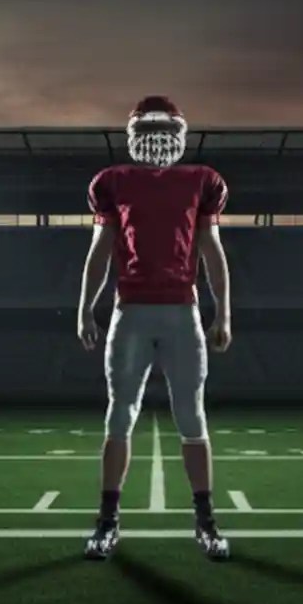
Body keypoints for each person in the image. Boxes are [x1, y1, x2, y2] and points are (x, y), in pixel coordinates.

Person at [76, 95, 233, 561]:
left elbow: (211, 249)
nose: (157, 140)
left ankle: (205, 522)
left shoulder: (200, 181)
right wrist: (85, 306)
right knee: (119, 415)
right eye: (147, 131)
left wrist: (223, 311)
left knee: (191, 417)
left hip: (181, 309)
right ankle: (107, 523)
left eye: (163, 129)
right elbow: (101, 250)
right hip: (131, 309)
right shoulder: (115, 182)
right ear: (132, 135)